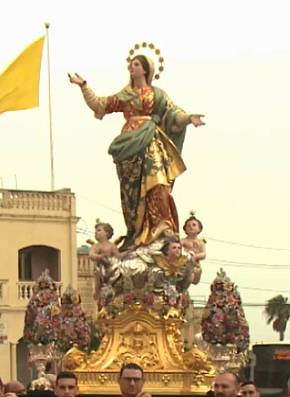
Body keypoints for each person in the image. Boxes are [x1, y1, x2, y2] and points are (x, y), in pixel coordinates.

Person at [69, 52, 205, 249]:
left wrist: (188, 118)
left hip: (150, 141)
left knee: (159, 182)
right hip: (128, 148)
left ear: (145, 69)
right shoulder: (125, 96)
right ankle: (137, 230)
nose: (131, 68)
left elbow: (174, 114)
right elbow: (100, 104)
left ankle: (162, 226)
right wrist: (83, 86)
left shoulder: (157, 95)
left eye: (135, 64)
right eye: (131, 65)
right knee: (131, 192)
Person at [89, 221, 121, 300]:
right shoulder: (96, 246)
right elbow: (91, 255)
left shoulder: (111, 245)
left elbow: (118, 256)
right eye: (95, 231)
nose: (96, 232)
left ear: (106, 233)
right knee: (98, 286)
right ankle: (98, 298)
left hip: (111, 269)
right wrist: (99, 256)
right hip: (100, 270)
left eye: (99, 230)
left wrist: (128, 252)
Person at [180, 213, 206, 285]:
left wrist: (196, 256)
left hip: (195, 265)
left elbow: (204, 253)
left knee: (194, 278)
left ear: (199, 229)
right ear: (185, 230)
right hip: (184, 264)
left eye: (194, 225)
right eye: (188, 226)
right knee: (186, 278)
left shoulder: (200, 242)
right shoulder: (183, 240)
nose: (191, 227)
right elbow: (178, 248)